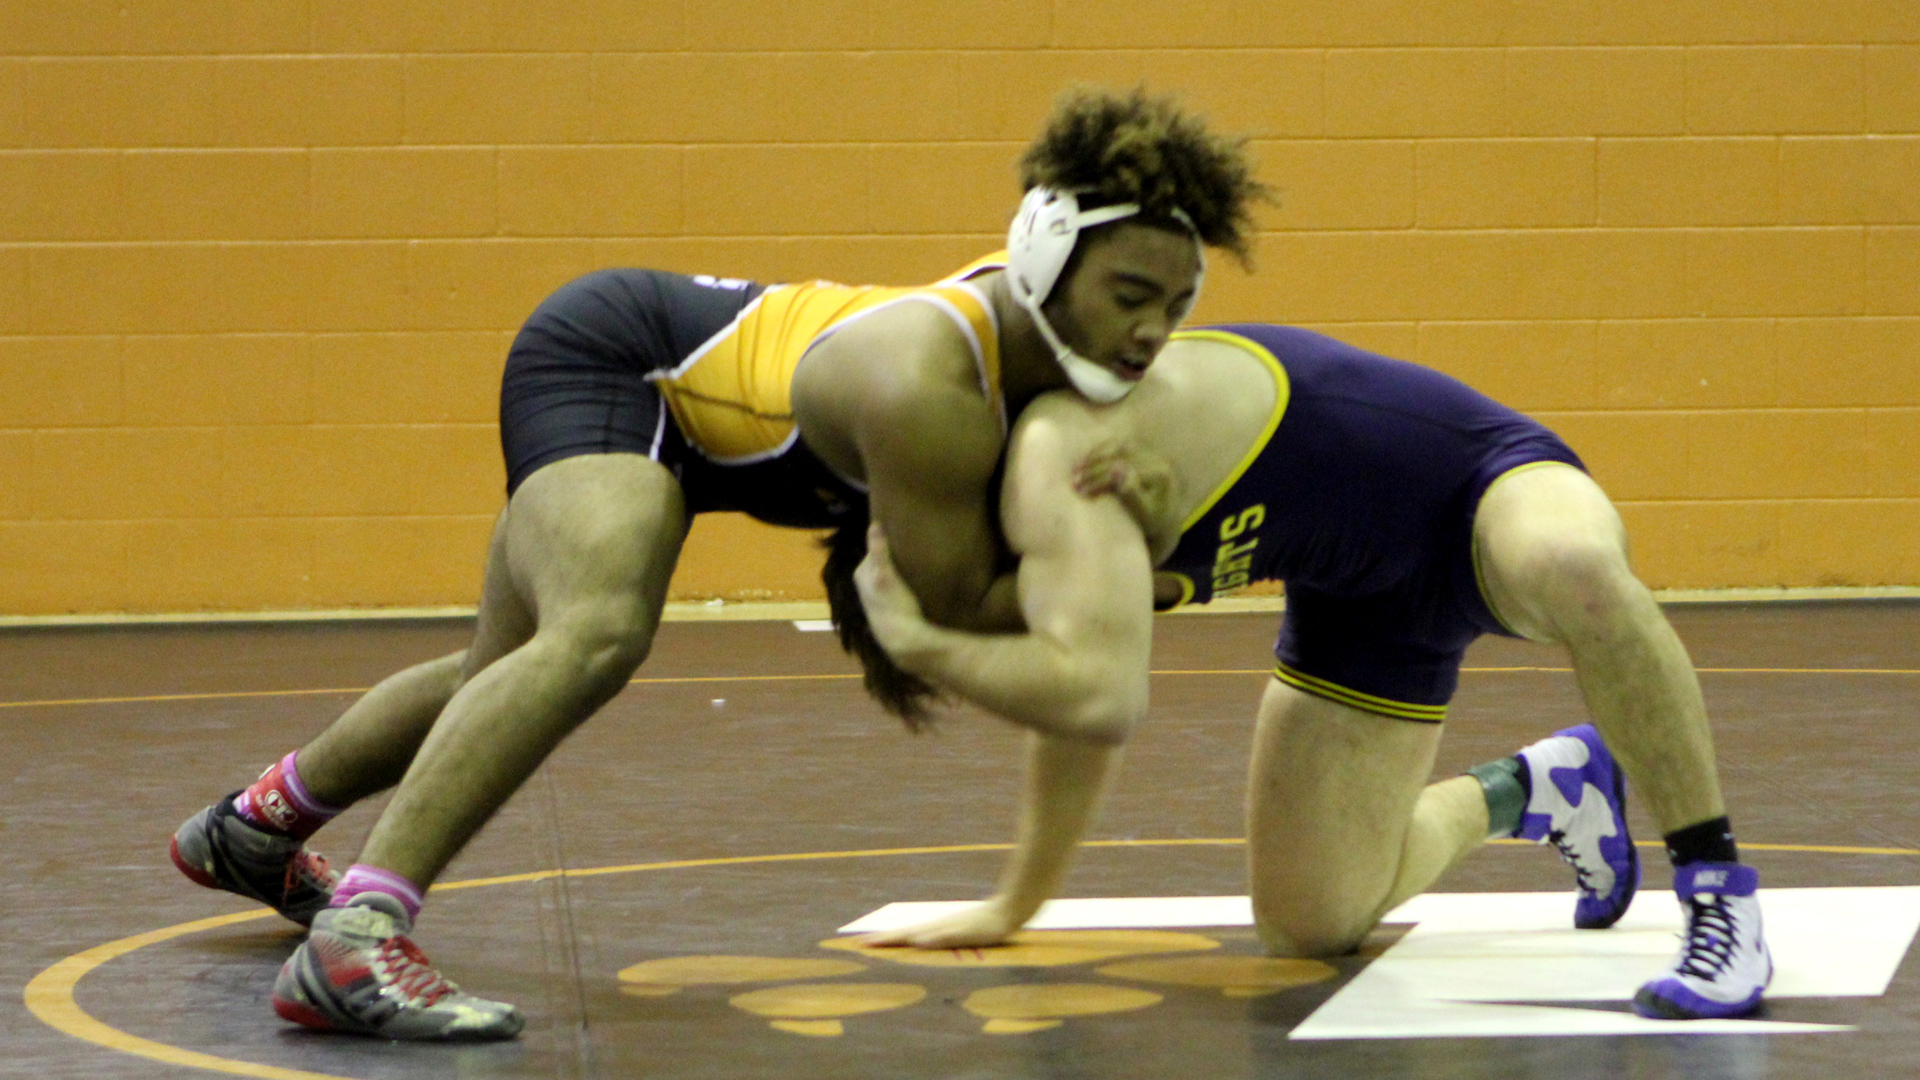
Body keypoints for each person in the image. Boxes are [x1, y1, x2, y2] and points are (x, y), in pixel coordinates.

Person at [166, 87, 1268, 1041]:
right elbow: (954, 608)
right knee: (596, 634)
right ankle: (357, 936)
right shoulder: (930, 387)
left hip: (713, 418)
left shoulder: (1042, 367)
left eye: (1178, 305)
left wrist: (1129, 561)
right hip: (625, 366)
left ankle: (256, 828)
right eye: (1129, 297)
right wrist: (1169, 571)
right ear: (1045, 256)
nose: (1152, 334)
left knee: (495, 679)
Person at [849, 323, 1772, 1021]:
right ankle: (1539, 788)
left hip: (1483, 487)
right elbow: (1084, 695)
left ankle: (1718, 895)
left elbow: (1088, 697)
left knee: (1575, 573)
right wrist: (1016, 903)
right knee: (1310, 922)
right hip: (1357, 606)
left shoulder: (1065, 451)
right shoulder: (1033, 545)